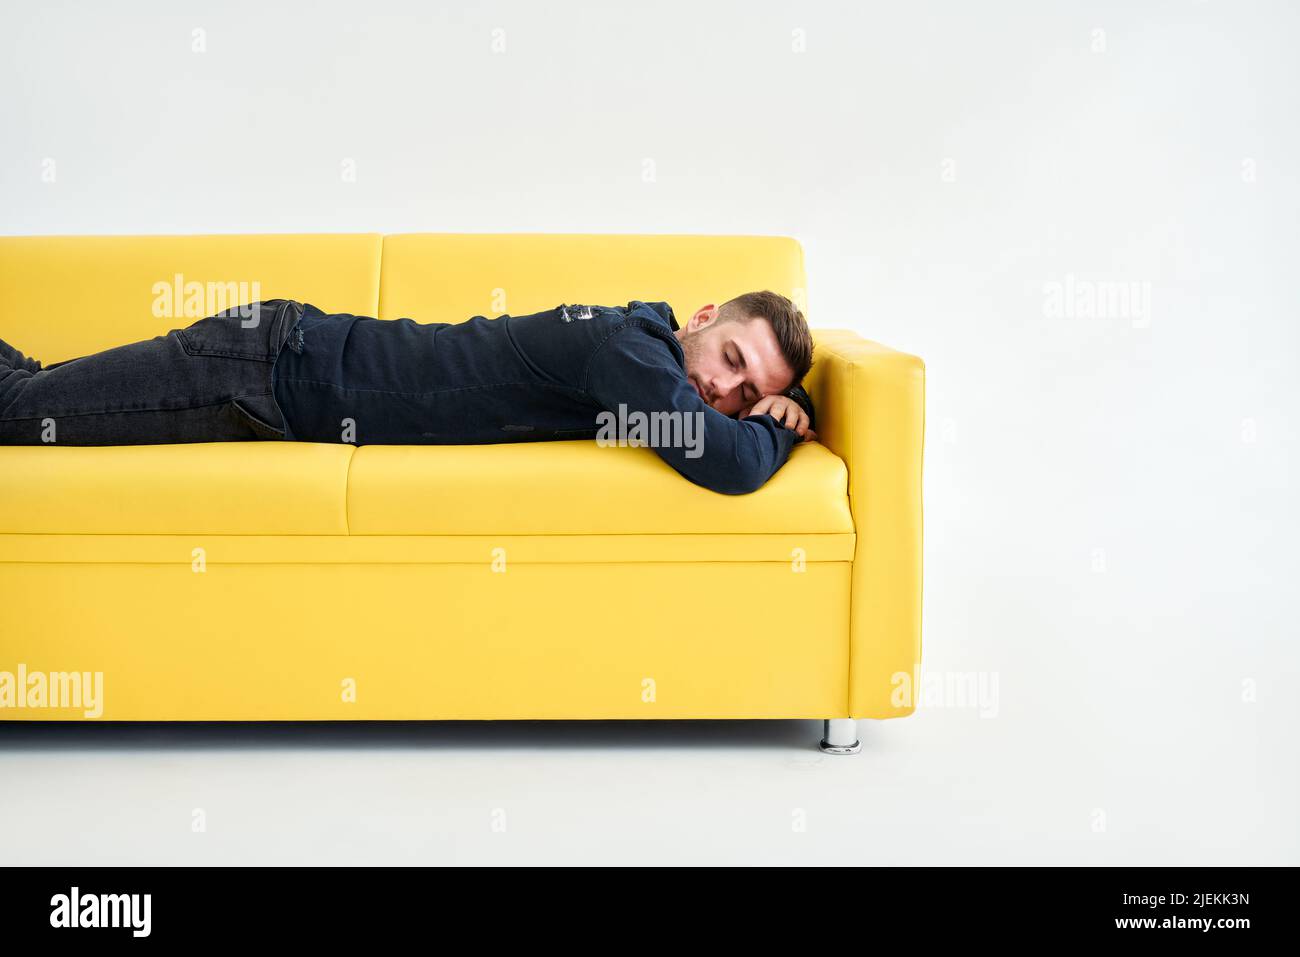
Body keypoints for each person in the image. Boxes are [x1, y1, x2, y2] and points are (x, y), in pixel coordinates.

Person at [0, 290, 816, 495]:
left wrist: (760, 420)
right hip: (255, 372)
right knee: (15, 410)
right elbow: (728, 465)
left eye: (750, 394)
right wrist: (775, 430)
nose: (725, 388)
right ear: (704, 317)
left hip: (270, 374)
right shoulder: (628, 349)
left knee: (27, 389)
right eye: (734, 357)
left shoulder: (634, 356)